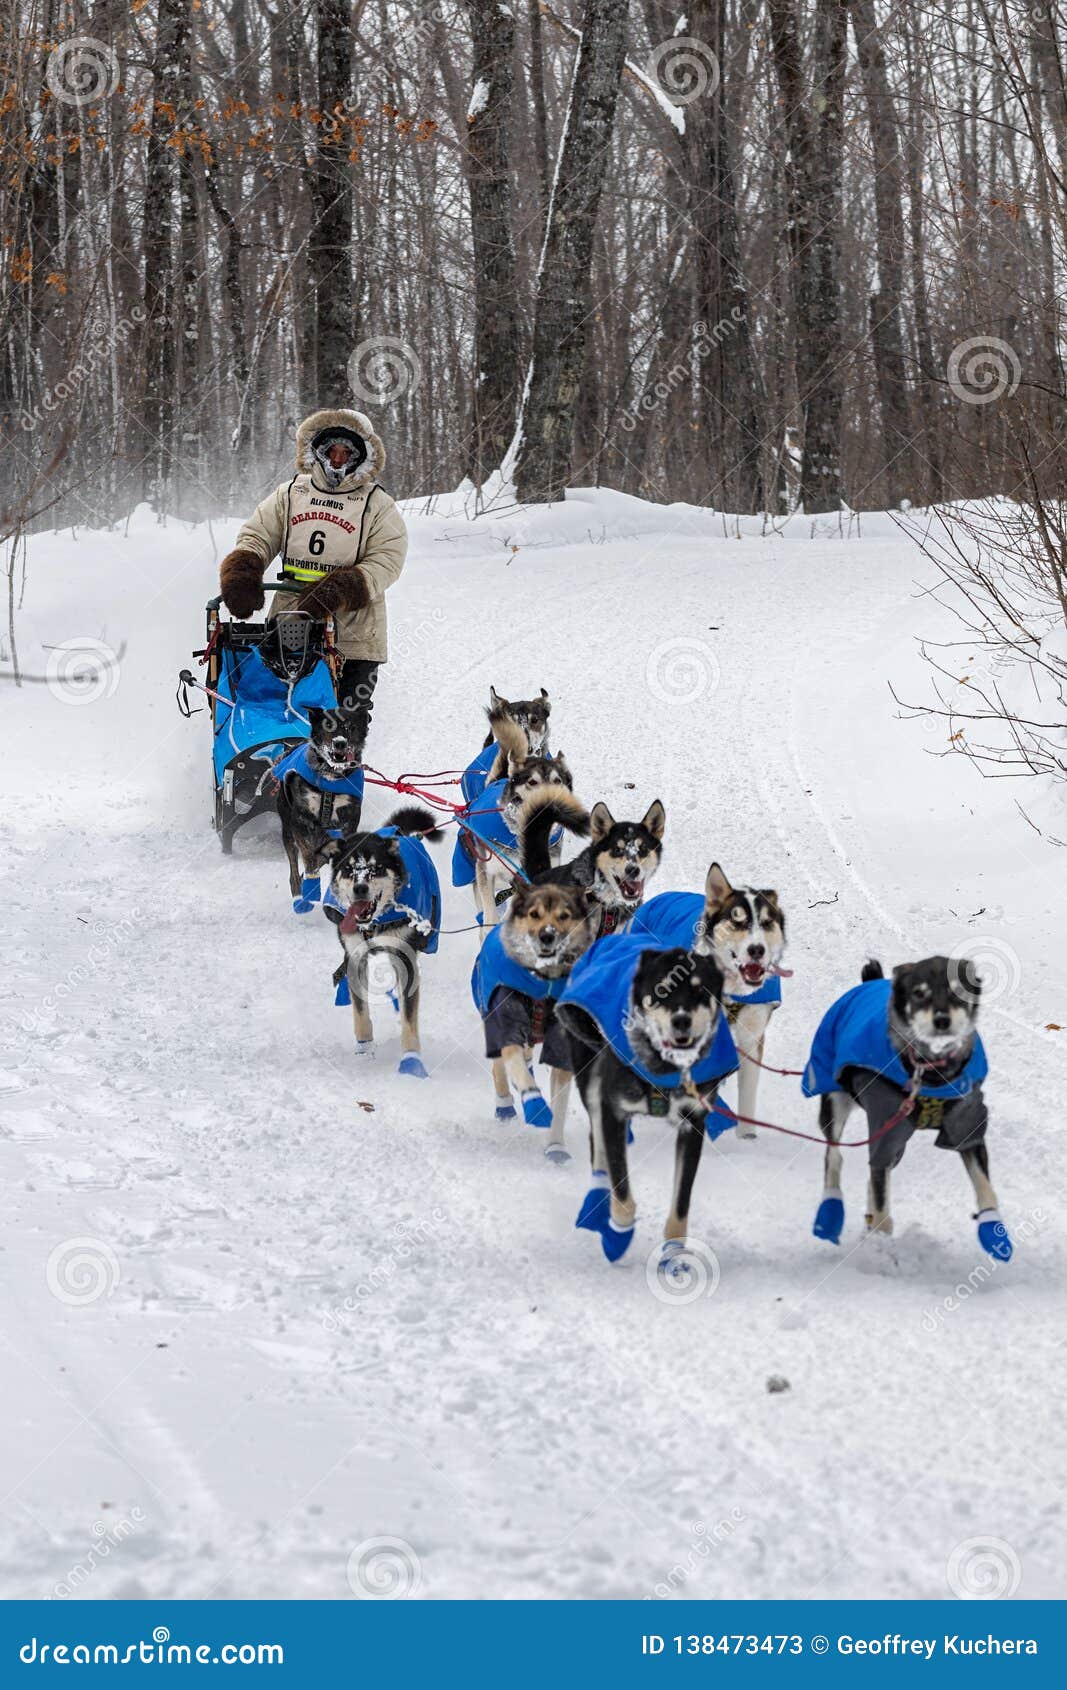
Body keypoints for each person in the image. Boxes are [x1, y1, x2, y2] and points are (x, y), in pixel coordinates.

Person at [218, 407, 408, 719]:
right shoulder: (291, 493)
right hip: (290, 624)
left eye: (346, 453)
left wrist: (340, 589)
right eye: (331, 451)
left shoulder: (378, 504)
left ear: (361, 456)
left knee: (343, 724)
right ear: (317, 451)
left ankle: (343, 767)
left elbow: (387, 559)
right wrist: (243, 569)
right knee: (284, 713)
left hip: (354, 633)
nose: (337, 460)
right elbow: (258, 534)